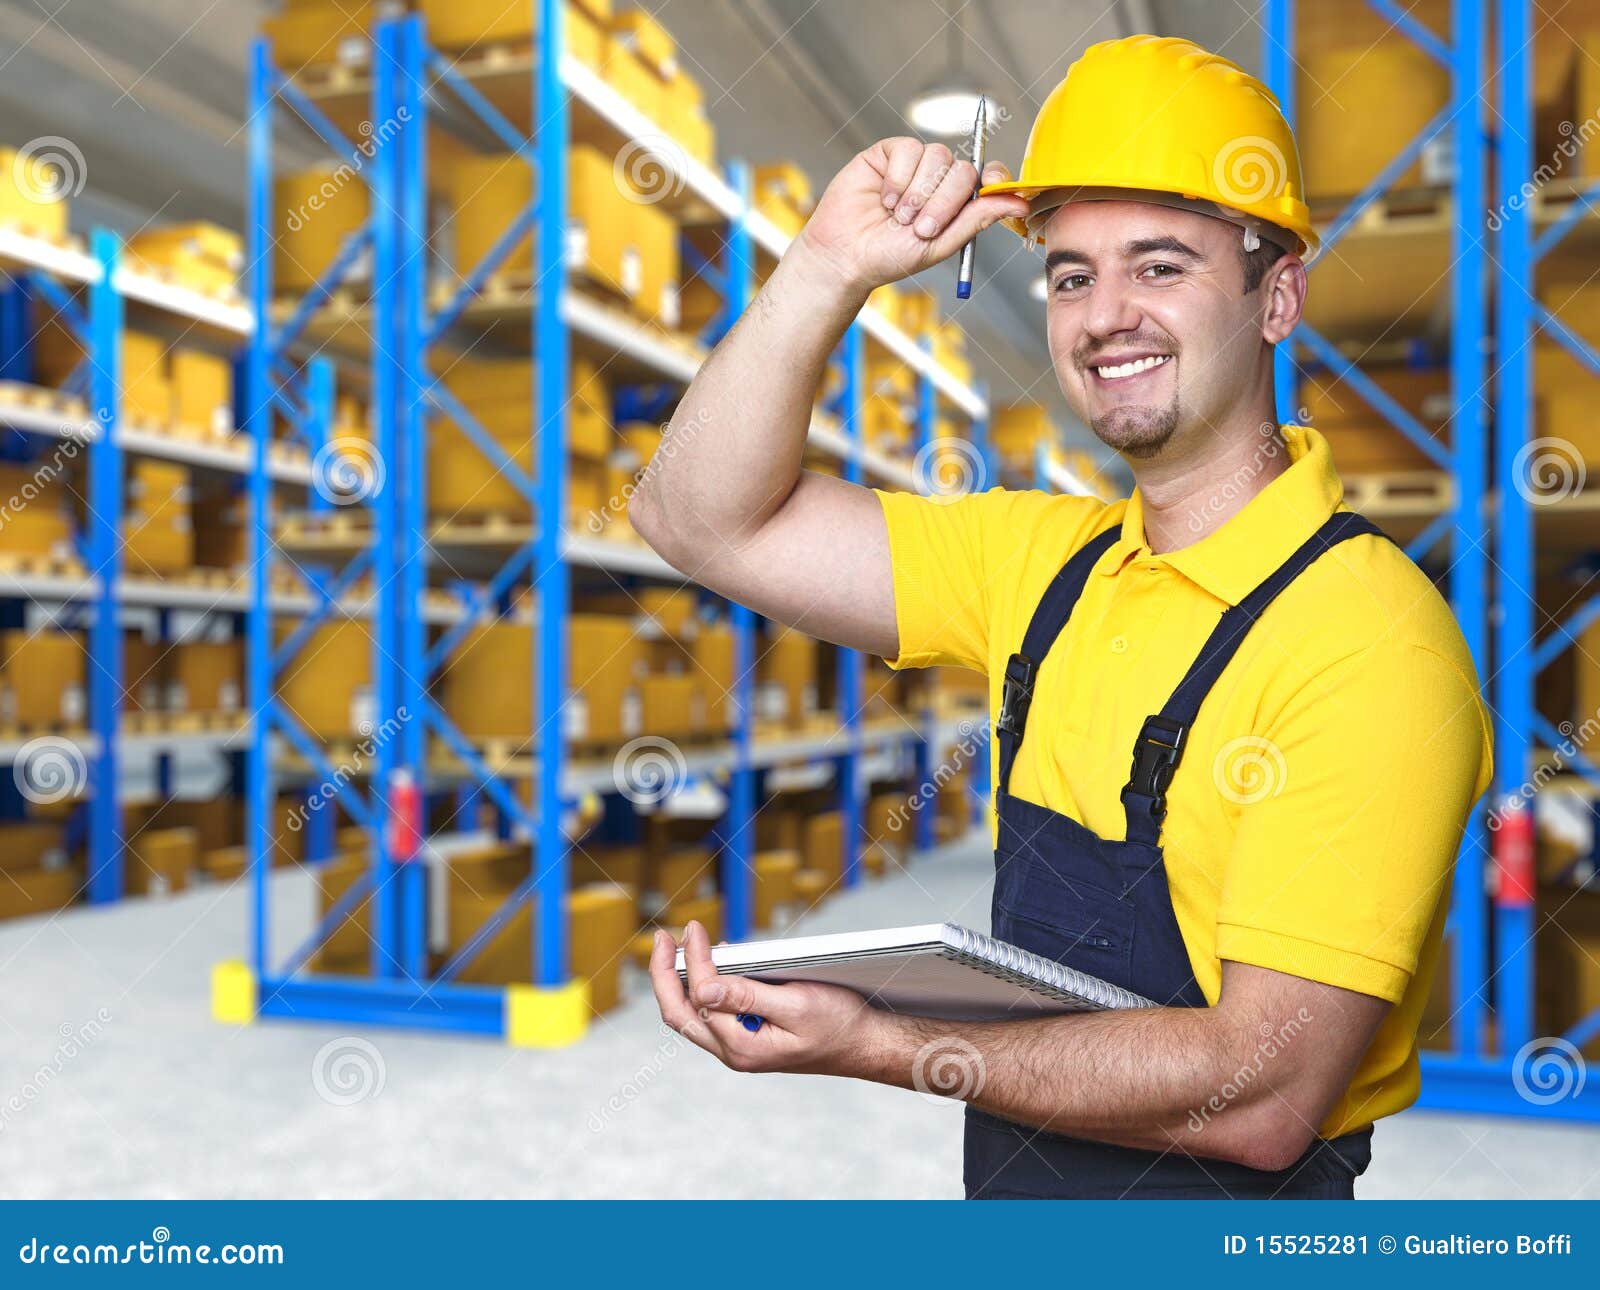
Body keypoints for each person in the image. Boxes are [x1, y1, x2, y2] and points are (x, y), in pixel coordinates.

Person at [628, 34, 1492, 1199]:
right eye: (1072, 275)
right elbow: (695, 519)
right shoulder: (1043, 564)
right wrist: (827, 265)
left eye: (1161, 265)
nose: (1104, 316)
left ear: (1275, 294)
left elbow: (1263, 1095)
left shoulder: (1368, 642)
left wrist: (880, 1045)